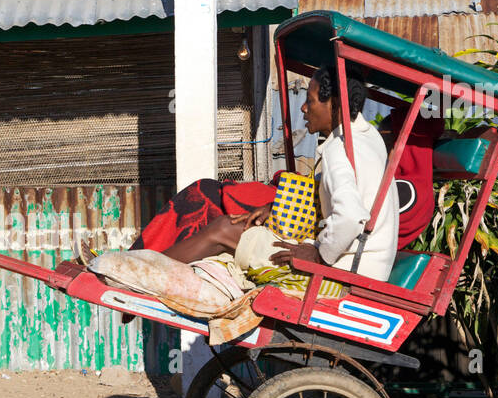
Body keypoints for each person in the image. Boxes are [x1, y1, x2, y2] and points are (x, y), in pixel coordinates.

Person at [154, 67, 399, 284]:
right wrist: (276, 205)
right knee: (237, 229)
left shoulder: (340, 148)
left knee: (223, 228)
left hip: (348, 272)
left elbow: (351, 215)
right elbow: (338, 192)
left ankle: (142, 274)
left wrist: (318, 255)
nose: (303, 108)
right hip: (370, 266)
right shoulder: (369, 136)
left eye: (310, 101)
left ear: (334, 104)